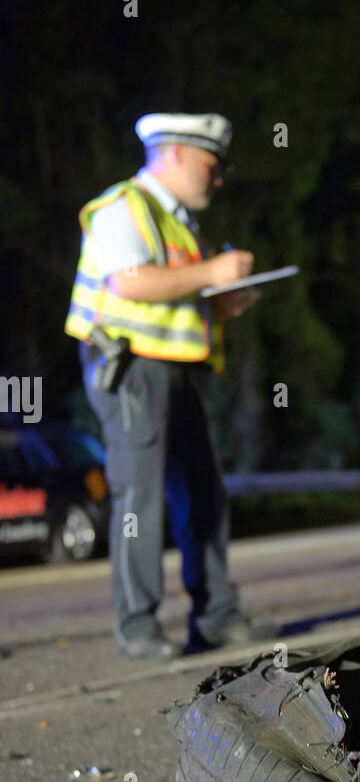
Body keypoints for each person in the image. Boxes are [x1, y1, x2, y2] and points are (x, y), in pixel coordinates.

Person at [65, 112, 259, 659]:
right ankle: (139, 626)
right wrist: (213, 274)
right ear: (174, 153)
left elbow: (176, 293)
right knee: (139, 497)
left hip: (176, 371)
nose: (217, 177)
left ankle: (216, 616)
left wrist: (223, 300)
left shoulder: (178, 223)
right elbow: (129, 282)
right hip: (131, 372)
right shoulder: (122, 207)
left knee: (204, 495)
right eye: (210, 164)